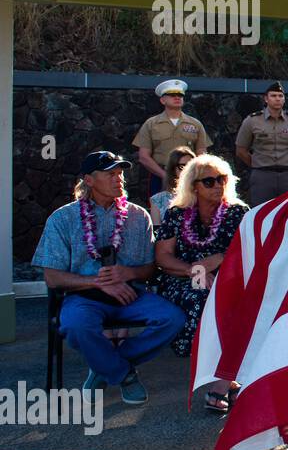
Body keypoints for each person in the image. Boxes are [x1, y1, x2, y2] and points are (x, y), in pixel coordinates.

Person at [31, 151, 185, 405]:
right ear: (89, 180)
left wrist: (129, 273)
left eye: (120, 173)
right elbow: (52, 277)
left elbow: (149, 268)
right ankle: (123, 374)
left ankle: (104, 364)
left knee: (173, 319)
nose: (119, 179)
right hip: (84, 297)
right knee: (74, 325)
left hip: (130, 294)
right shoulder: (63, 218)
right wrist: (99, 282)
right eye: (110, 174)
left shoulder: (138, 216)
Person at [154, 155, 249, 412]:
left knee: (230, 300)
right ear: (194, 185)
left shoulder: (239, 212)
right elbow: (162, 257)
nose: (218, 185)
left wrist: (218, 259)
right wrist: (194, 270)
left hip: (230, 278)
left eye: (222, 179)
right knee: (201, 297)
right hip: (183, 278)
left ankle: (220, 382)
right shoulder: (176, 214)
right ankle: (226, 381)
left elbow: (250, 254)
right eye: (209, 181)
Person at [131, 79, 211, 197]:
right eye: (172, 95)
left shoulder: (195, 124)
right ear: (163, 100)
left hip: (189, 176)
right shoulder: (151, 124)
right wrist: (165, 175)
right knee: (160, 211)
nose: (177, 97)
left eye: (180, 95)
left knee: (190, 211)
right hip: (159, 177)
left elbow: (202, 155)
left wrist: (192, 175)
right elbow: (144, 157)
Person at [235, 81, 288, 205]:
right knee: (261, 212)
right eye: (273, 96)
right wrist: (257, 164)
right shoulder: (252, 121)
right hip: (262, 176)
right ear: (266, 99)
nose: (277, 99)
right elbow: (241, 150)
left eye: (280, 96)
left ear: (284, 99)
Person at [149, 146, 195, 225]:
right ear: (173, 170)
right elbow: (157, 232)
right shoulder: (158, 200)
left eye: (191, 166)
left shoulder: (203, 195)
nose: (187, 171)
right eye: (182, 167)